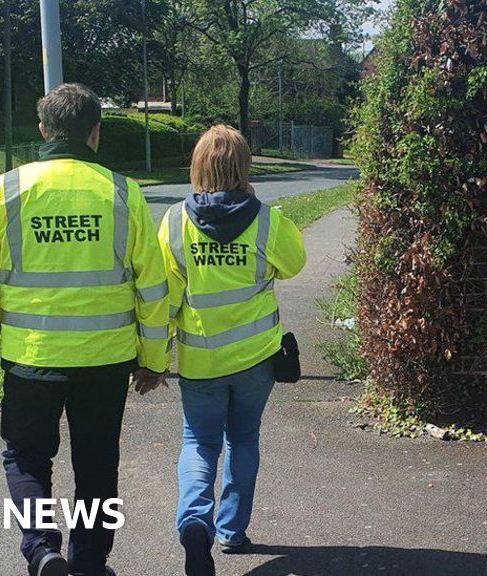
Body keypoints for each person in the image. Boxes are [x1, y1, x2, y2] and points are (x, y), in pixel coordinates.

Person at [0, 83, 171, 576]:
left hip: (32, 359)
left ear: (43, 129)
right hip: (104, 360)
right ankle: (89, 564)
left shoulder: (5, 191)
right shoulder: (123, 193)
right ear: (96, 133)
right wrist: (154, 361)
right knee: (97, 465)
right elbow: (153, 291)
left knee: (27, 458)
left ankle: (42, 548)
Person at [159, 125, 306, 576]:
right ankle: (231, 531)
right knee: (243, 440)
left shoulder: (175, 223)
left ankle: (194, 522)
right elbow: (295, 264)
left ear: (197, 166)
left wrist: (155, 359)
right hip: (256, 360)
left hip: (200, 360)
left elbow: (165, 298)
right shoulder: (267, 221)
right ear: (244, 167)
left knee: (198, 443)